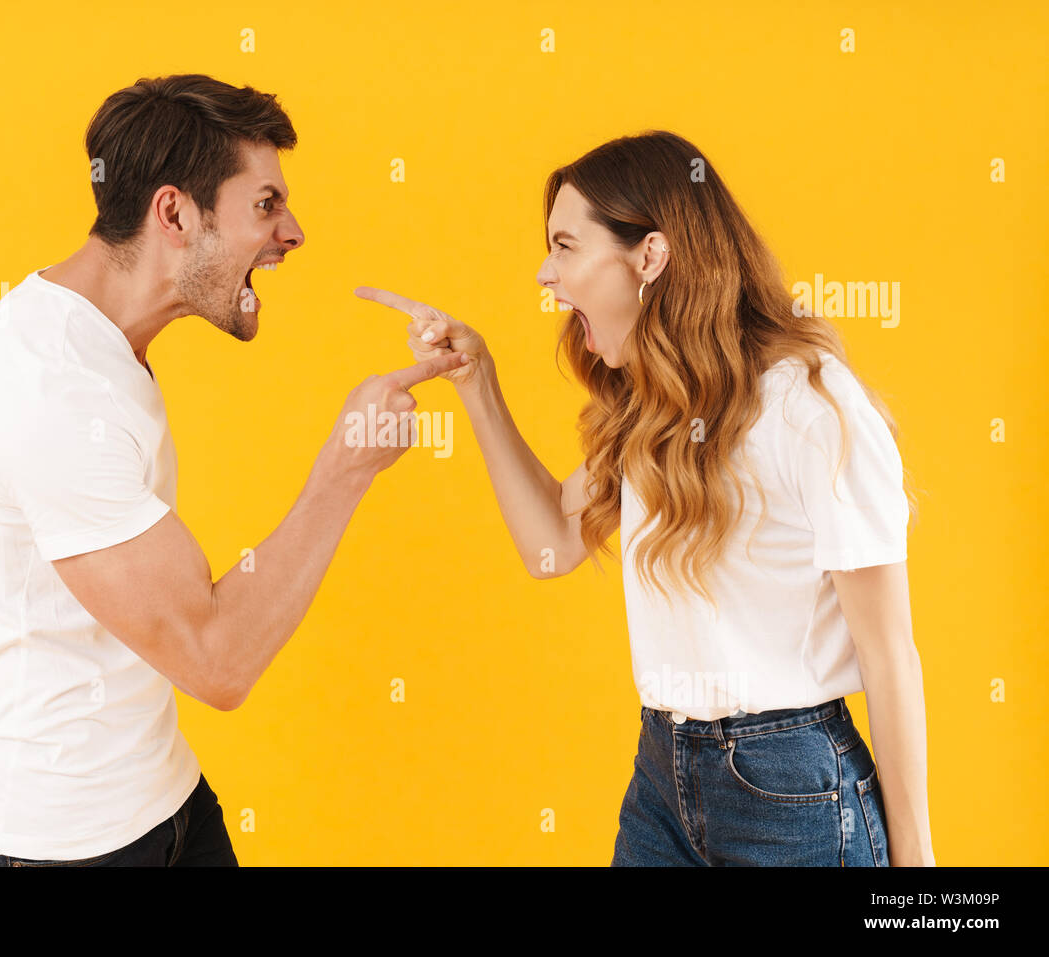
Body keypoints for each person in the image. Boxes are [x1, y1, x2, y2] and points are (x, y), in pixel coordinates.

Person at [0, 74, 465, 867]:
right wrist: (347, 466)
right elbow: (217, 657)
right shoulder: (47, 393)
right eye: (266, 205)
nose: (294, 232)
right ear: (174, 213)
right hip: (49, 843)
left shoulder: (101, 342)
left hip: (161, 798)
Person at [356, 129, 934, 866]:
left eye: (565, 246)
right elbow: (551, 547)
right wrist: (477, 381)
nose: (544, 272)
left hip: (794, 789)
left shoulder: (810, 407)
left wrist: (916, 868)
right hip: (664, 773)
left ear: (650, 256)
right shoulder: (650, 405)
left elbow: (889, 653)